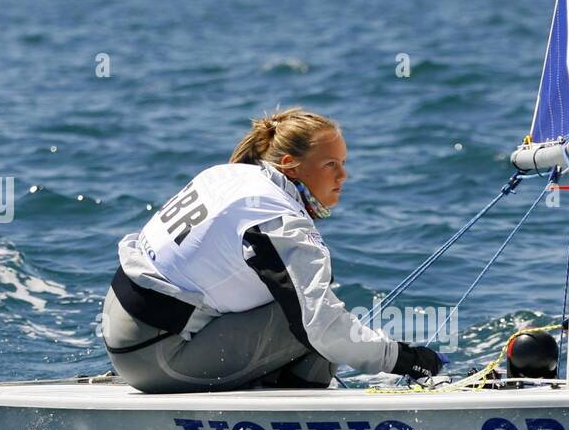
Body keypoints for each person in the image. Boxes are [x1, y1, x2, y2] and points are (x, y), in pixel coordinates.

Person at [101, 108, 444, 393]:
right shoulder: (278, 219)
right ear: (291, 165)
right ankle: (297, 420)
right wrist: (403, 358)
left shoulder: (228, 175)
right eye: (331, 165)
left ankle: (266, 384)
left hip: (125, 332)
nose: (344, 175)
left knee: (302, 299)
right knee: (315, 315)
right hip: (155, 357)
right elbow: (323, 328)